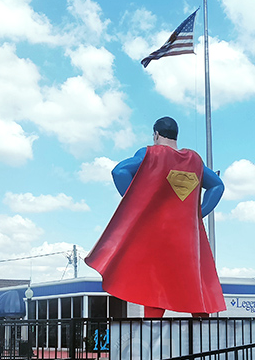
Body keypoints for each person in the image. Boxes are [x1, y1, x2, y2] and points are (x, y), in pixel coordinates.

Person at [85, 117, 226, 317]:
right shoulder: (194, 160)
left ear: (156, 134)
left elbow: (119, 171)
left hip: (158, 234)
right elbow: (217, 185)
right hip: (188, 238)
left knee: (155, 287)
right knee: (194, 284)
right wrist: (198, 213)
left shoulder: (150, 154)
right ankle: (203, 335)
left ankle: (152, 336)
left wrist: (137, 204)